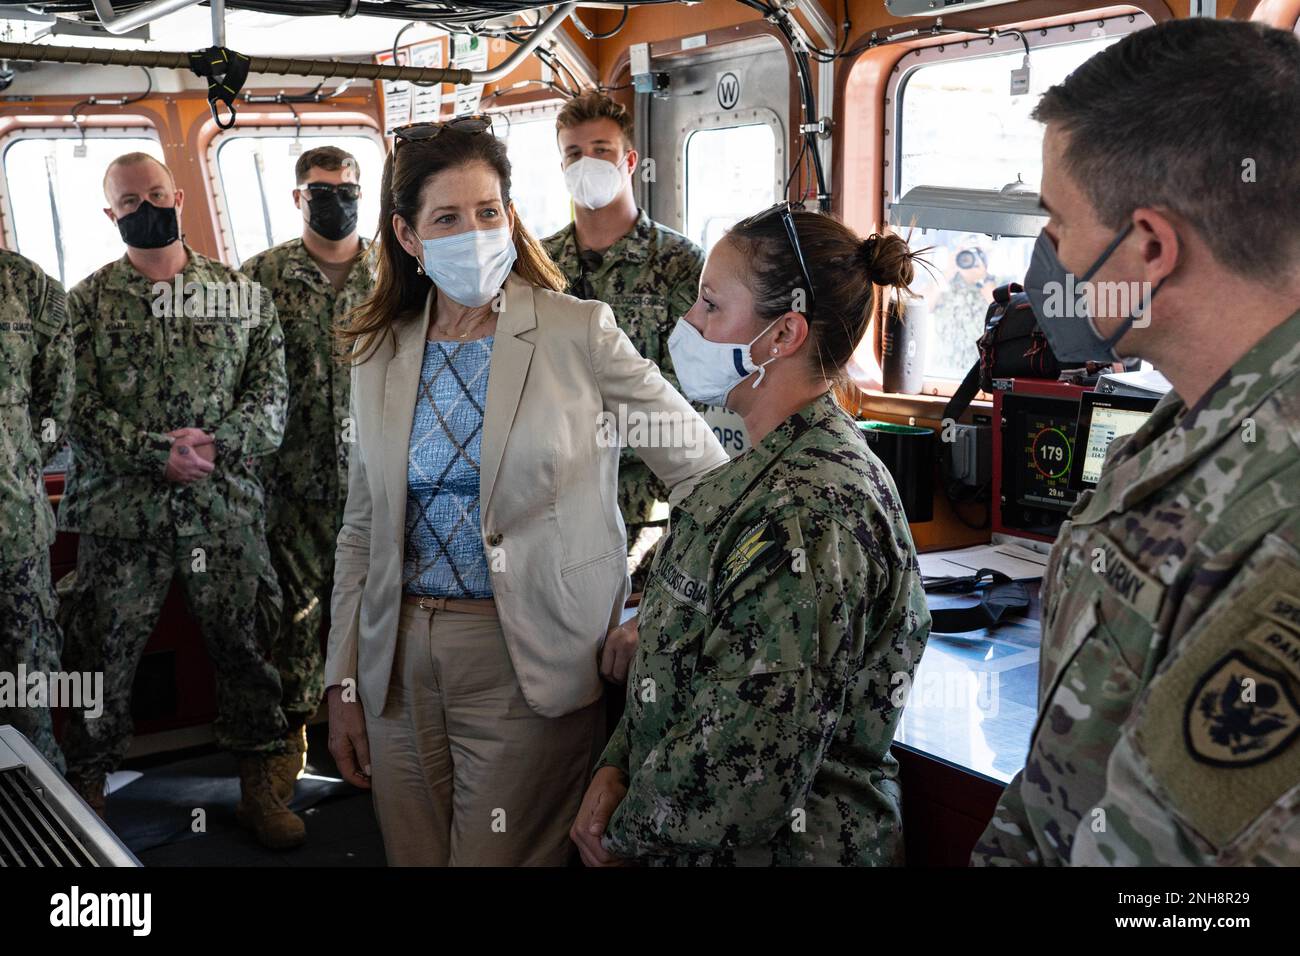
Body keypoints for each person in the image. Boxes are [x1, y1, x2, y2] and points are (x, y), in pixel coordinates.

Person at [324, 116, 727, 867]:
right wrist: (341, 681)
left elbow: (705, 477)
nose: (474, 232)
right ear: (408, 237)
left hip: (532, 657)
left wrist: (661, 606)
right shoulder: (378, 349)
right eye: (447, 218)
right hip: (397, 660)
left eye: (488, 212)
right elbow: (360, 527)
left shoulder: (579, 331)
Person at [973, 18, 1300, 866]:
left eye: (1057, 222)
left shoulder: (1278, 514)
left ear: (1148, 247)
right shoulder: (1188, 422)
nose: (1047, 254)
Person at [570, 203, 932, 866]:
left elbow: (743, 777)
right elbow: (679, 667)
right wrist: (616, 764)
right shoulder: (756, 476)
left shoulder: (807, 515)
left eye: (710, 305)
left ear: (782, 334)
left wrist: (623, 831)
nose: (689, 323)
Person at [57, 152, 301, 849]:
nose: (146, 208)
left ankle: (261, 787)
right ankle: (87, 791)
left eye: (156, 194)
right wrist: (151, 452)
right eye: (130, 201)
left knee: (249, 648)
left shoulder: (242, 294)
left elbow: (270, 401)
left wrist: (216, 444)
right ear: (111, 215)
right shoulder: (86, 303)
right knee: (100, 658)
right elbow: (74, 407)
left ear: (181, 195)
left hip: (222, 512)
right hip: (122, 517)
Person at [241, 145, 376, 808]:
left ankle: (383, 751)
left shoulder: (397, 270)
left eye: (347, 189)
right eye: (321, 191)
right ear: (299, 198)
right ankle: (277, 767)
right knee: (287, 629)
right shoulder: (258, 278)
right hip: (287, 492)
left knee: (381, 623)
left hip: (378, 488)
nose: (335, 201)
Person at [542, 92, 707, 586]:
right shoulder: (539, 267)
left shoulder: (682, 264)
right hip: (556, 502)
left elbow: (688, 387)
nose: (586, 163)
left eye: (601, 150)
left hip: (649, 511)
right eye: (573, 153)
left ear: (629, 160)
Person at [0, 248, 73, 771]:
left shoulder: (25, 284)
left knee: (29, 694)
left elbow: (56, 400)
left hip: (14, 531)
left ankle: (46, 816)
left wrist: (14, 464)